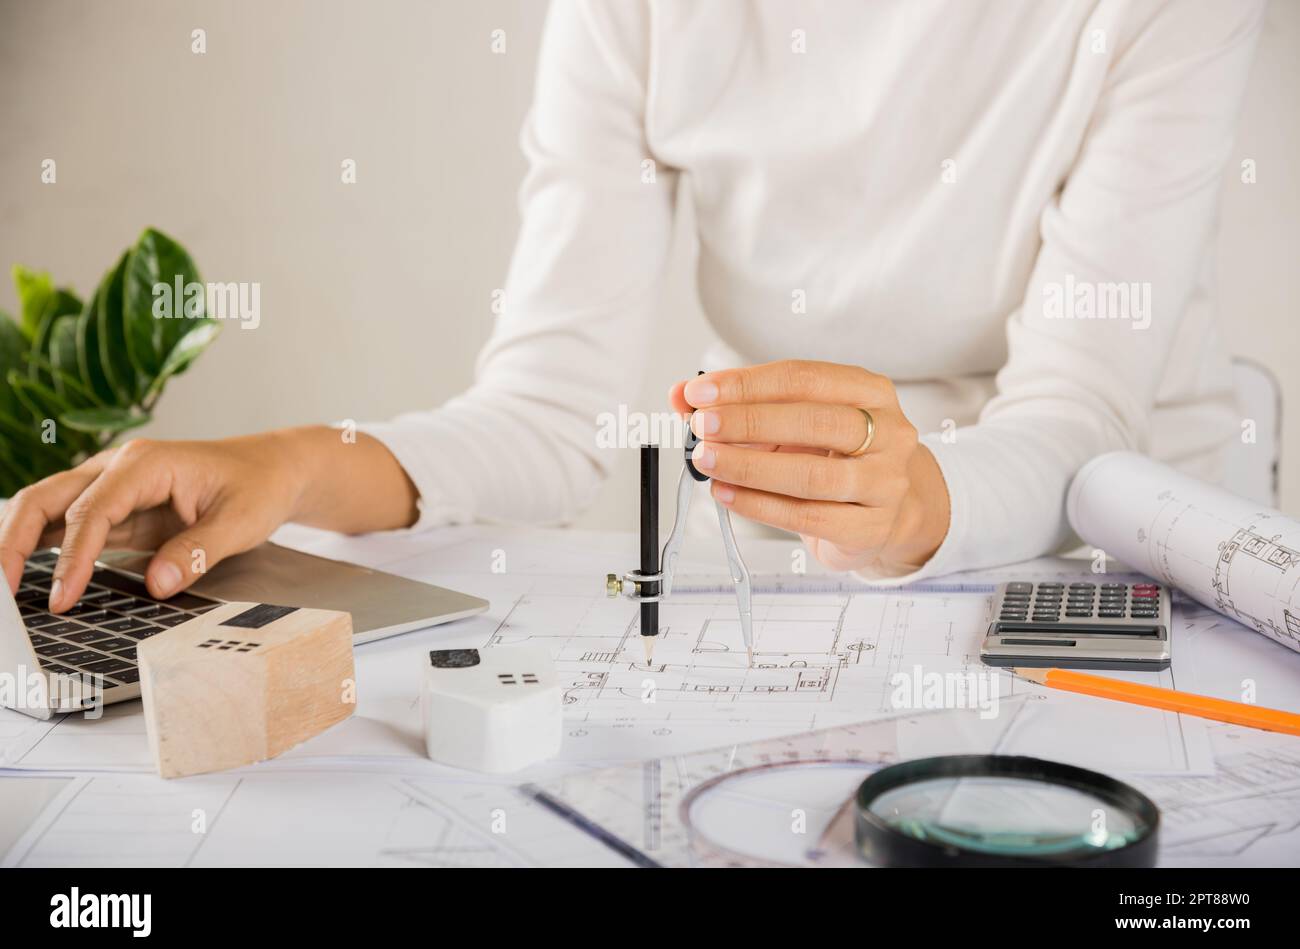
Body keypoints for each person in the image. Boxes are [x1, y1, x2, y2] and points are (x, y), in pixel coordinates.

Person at [0, 0, 1264, 613]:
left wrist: (918, 499)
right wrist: (286, 463)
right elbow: (549, 418)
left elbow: (1080, 410)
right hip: (803, 560)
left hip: (1125, 556)